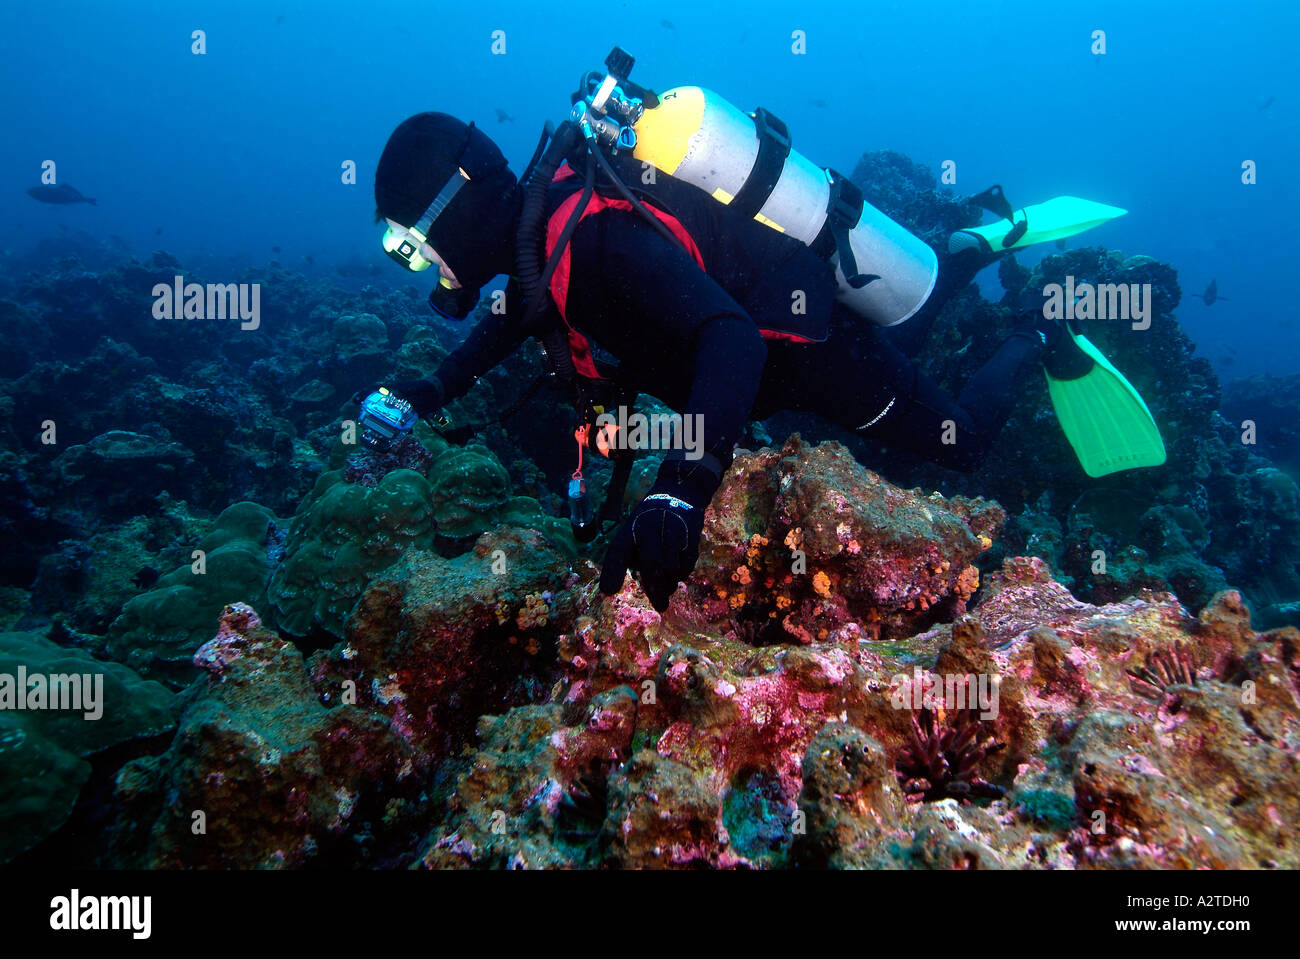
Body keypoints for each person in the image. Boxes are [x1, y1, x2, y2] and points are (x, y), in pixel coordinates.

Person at [370, 112, 1117, 612]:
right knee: (910, 333)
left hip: (805, 348)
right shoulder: (544, 239)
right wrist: (425, 391)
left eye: (409, 245)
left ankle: (1032, 327)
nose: (417, 263)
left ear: (453, 212)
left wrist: (683, 488)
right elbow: (515, 316)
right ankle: (962, 250)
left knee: (964, 440)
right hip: (776, 348)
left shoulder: (594, 241)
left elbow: (730, 337)